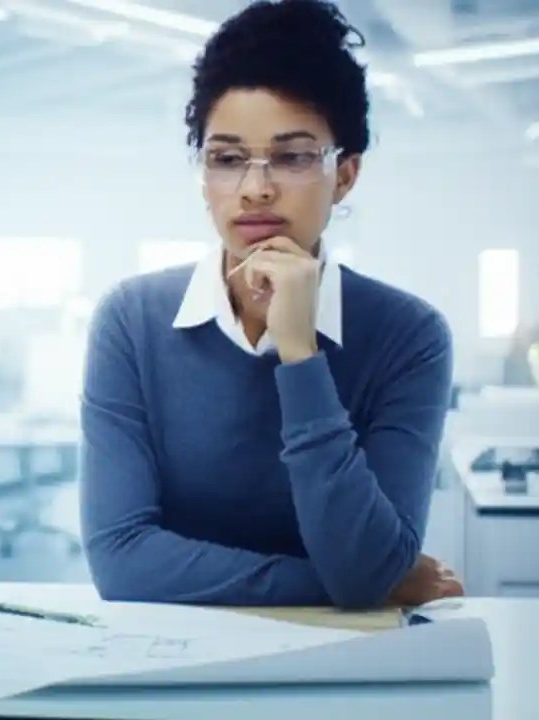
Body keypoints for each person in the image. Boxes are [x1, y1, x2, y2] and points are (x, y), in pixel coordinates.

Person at [78, 0, 465, 609]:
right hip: (165, 672)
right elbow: (122, 562)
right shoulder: (132, 321)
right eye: (227, 159)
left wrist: (299, 352)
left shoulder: (408, 334)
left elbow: (364, 568)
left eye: (292, 156)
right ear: (203, 176)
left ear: (345, 175)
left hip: (341, 683)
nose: (255, 187)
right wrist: (345, 586)